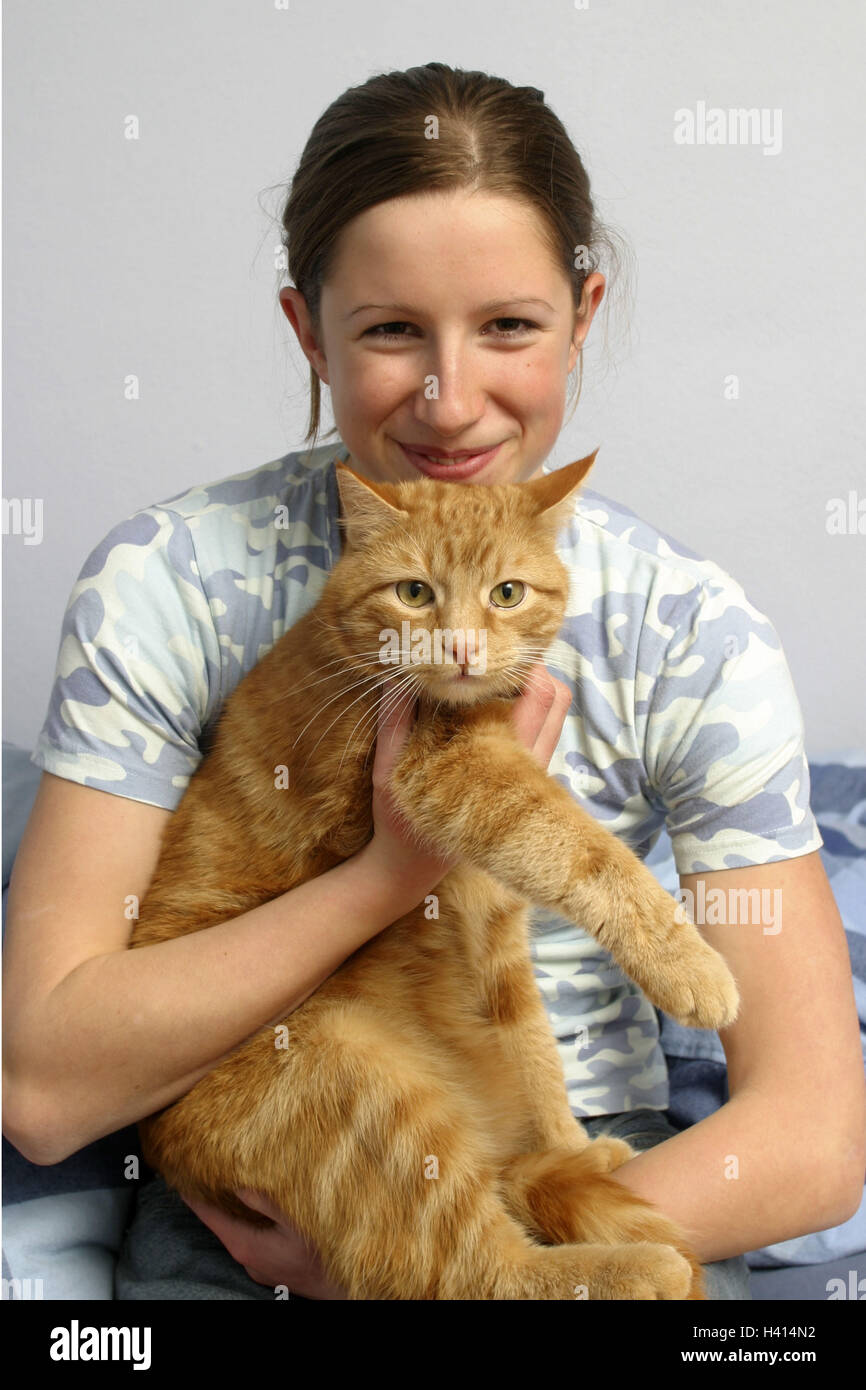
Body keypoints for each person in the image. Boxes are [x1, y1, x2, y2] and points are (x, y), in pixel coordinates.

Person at [4, 61, 863, 1303]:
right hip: (274, 1208)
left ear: (583, 312)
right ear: (307, 329)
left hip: (572, 1200)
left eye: (508, 325)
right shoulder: (169, 583)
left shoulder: (691, 625)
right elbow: (40, 1091)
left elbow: (815, 1139)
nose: (450, 403)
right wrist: (387, 873)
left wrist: (448, 1258)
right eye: (391, 328)